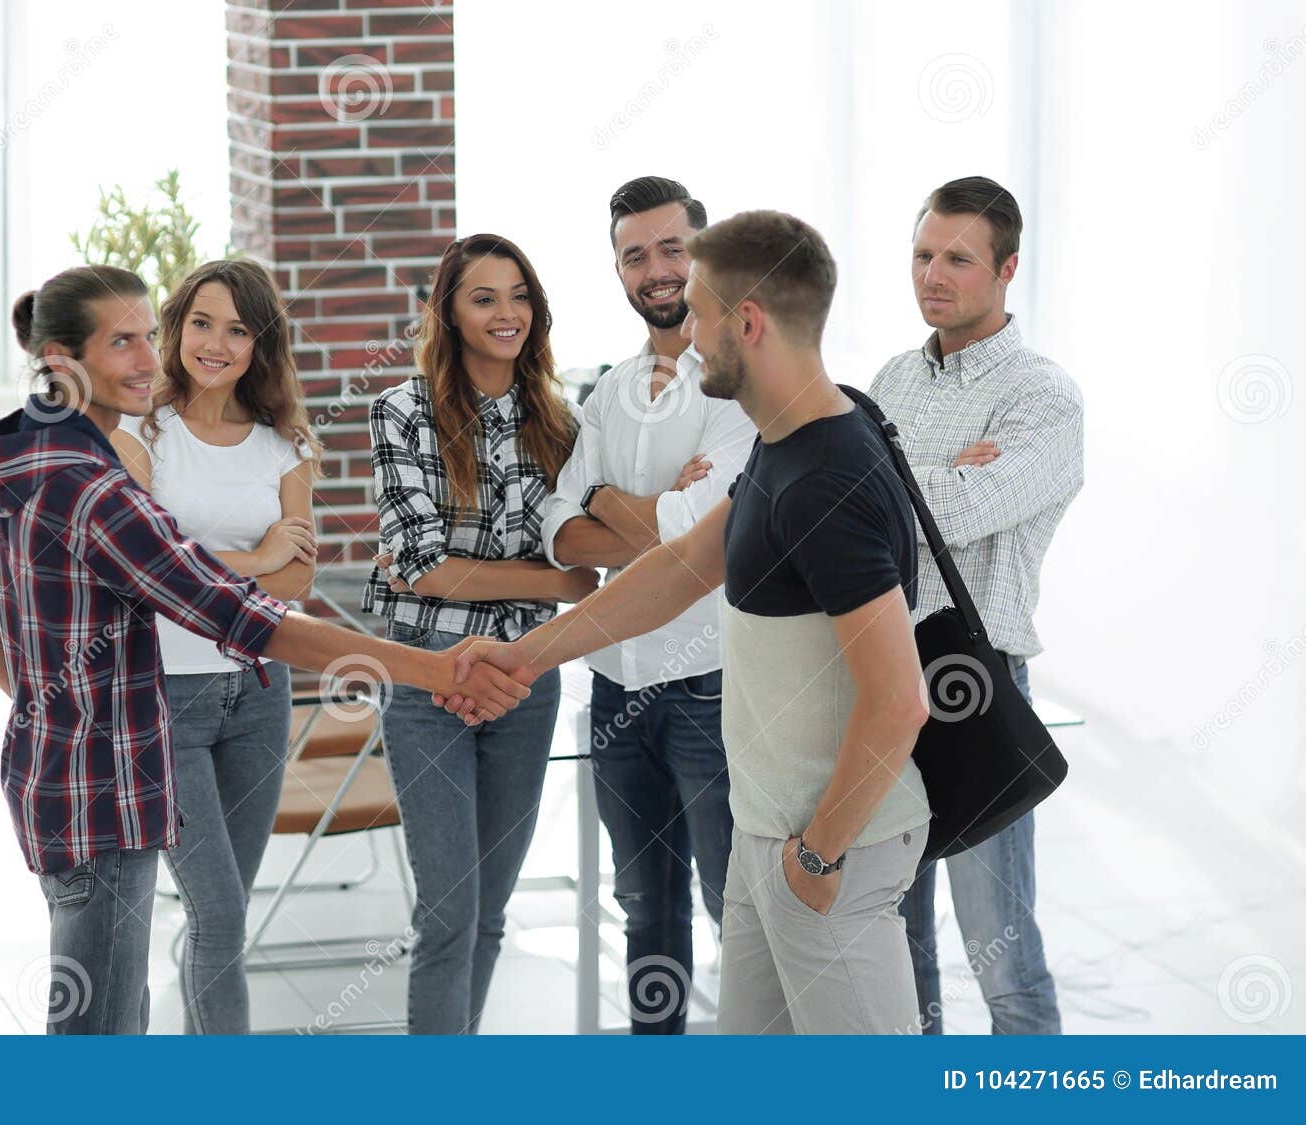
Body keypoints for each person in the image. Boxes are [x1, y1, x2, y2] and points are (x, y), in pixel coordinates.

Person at [0, 265, 531, 1034]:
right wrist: (434, 667)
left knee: (110, 1013)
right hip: (108, 783)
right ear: (64, 360)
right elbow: (243, 614)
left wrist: (39, 698)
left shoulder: (17, 451)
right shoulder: (97, 485)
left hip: (81, 769)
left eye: (149, 334)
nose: (150, 356)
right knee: (104, 1026)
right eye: (124, 342)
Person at [446, 211, 934, 1034]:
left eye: (703, 314)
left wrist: (816, 856)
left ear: (749, 322)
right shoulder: (785, 445)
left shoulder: (829, 477)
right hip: (767, 835)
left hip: (831, 851)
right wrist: (522, 656)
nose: (690, 336)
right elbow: (674, 572)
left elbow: (900, 700)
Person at [363, 234, 597, 1033]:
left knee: (492, 911)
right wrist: (554, 582)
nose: (507, 314)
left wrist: (563, 579)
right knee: (449, 912)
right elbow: (427, 571)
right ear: (450, 313)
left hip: (523, 681)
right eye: (485, 297)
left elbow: (590, 560)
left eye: (519, 295)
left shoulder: (560, 423)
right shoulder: (402, 411)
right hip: (430, 678)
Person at [537, 176, 755, 1032]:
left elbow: (704, 535)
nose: (657, 270)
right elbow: (556, 523)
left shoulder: (739, 379)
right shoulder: (609, 391)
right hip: (617, 685)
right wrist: (654, 507)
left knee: (733, 908)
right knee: (644, 910)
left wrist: (616, 508)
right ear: (619, 270)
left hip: (709, 683)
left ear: (704, 253)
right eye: (637, 255)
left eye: (672, 249)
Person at [870, 175, 1084, 1035]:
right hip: (880, 686)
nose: (933, 274)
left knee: (1003, 949)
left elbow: (950, 515)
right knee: (896, 940)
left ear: (1007, 270)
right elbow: (857, 523)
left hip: (975, 684)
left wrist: (912, 490)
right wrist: (950, 470)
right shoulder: (890, 376)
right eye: (923, 254)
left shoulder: (1044, 395)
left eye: (958, 258)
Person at [107, 259, 318, 1034]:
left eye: (237, 329)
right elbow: (146, 570)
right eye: (202, 322)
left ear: (260, 345)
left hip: (261, 694)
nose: (216, 343)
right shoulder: (139, 437)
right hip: (167, 694)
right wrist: (256, 559)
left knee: (220, 917)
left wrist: (250, 565)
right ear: (176, 326)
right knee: (221, 916)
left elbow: (298, 579)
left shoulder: (280, 445)